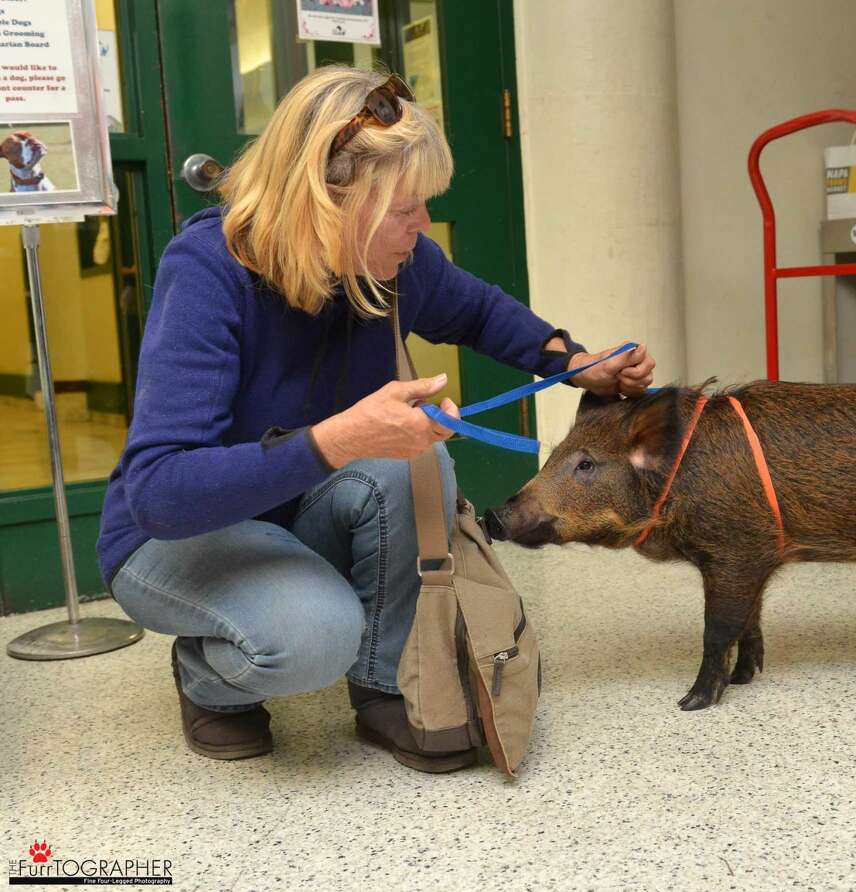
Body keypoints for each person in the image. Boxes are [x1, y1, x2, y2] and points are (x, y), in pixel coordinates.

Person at [97, 67, 655, 771]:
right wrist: (339, 440)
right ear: (326, 198)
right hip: (170, 536)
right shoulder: (208, 271)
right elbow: (159, 492)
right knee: (310, 639)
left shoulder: (396, 265)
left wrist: (573, 360)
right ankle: (211, 681)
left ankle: (383, 682)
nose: (421, 226)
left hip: (291, 511)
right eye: (403, 209)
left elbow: (480, 311)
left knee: (415, 460)